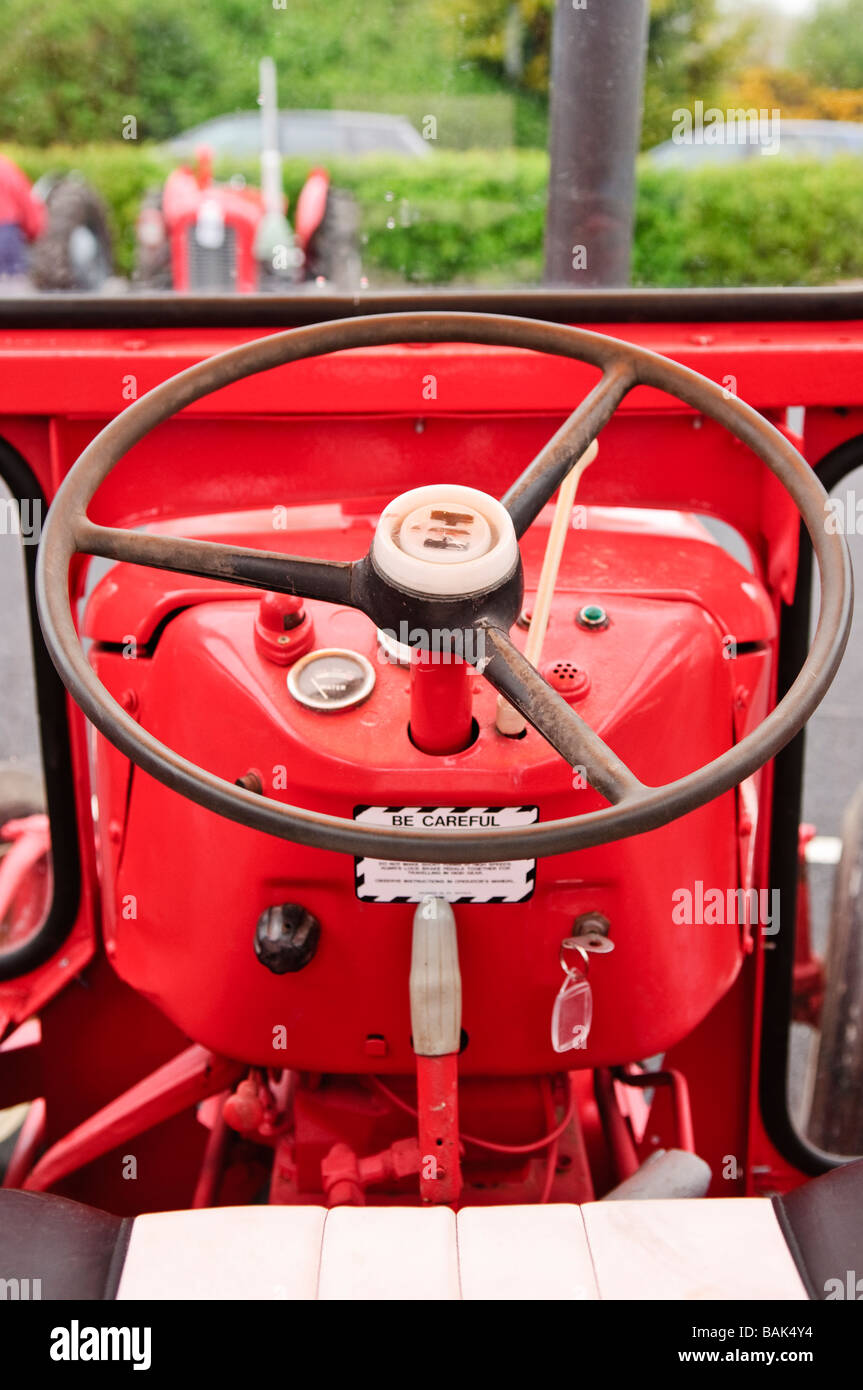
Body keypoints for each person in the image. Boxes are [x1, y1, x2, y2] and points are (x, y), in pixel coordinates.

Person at [0, 153, 45, 277]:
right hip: (5, 236)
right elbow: (29, 209)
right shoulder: (6, 169)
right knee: (11, 289)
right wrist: (36, 231)